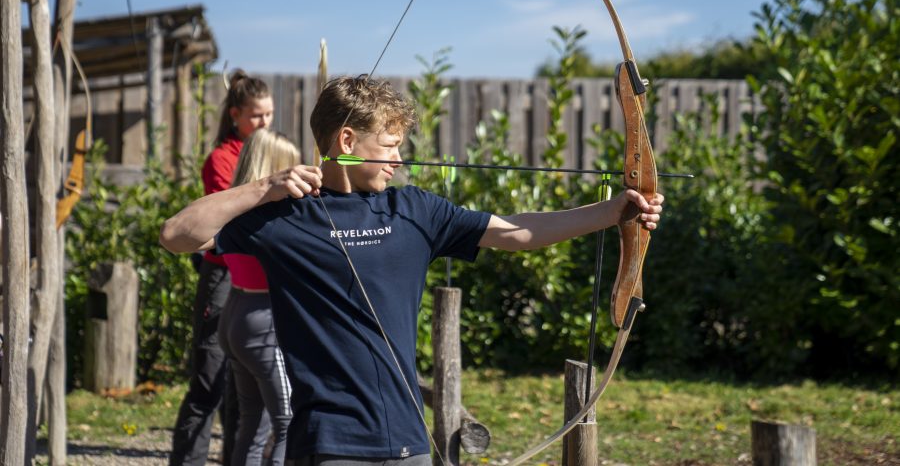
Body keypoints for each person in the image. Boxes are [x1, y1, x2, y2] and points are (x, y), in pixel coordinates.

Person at [160, 75, 664, 465]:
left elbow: (516, 232)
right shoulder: (285, 218)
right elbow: (178, 234)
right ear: (348, 140)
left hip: (406, 439)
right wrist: (260, 189)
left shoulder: (414, 211)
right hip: (327, 443)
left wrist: (612, 213)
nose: (399, 160)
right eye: (390, 145)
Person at [170, 69, 274, 466]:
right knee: (208, 383)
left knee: (242, 388)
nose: (264, 123)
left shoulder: (269, 154)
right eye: (256, 116)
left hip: (256, 275)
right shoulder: (223, 158)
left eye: (269, 115)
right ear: (235, 115)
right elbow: (229, 216)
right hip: (223, 274)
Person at [219, 129, 297, 466]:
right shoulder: (271, 219)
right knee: (289, 422)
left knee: (253, 423)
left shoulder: (231, 209)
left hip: (236, 315)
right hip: (264, 322)